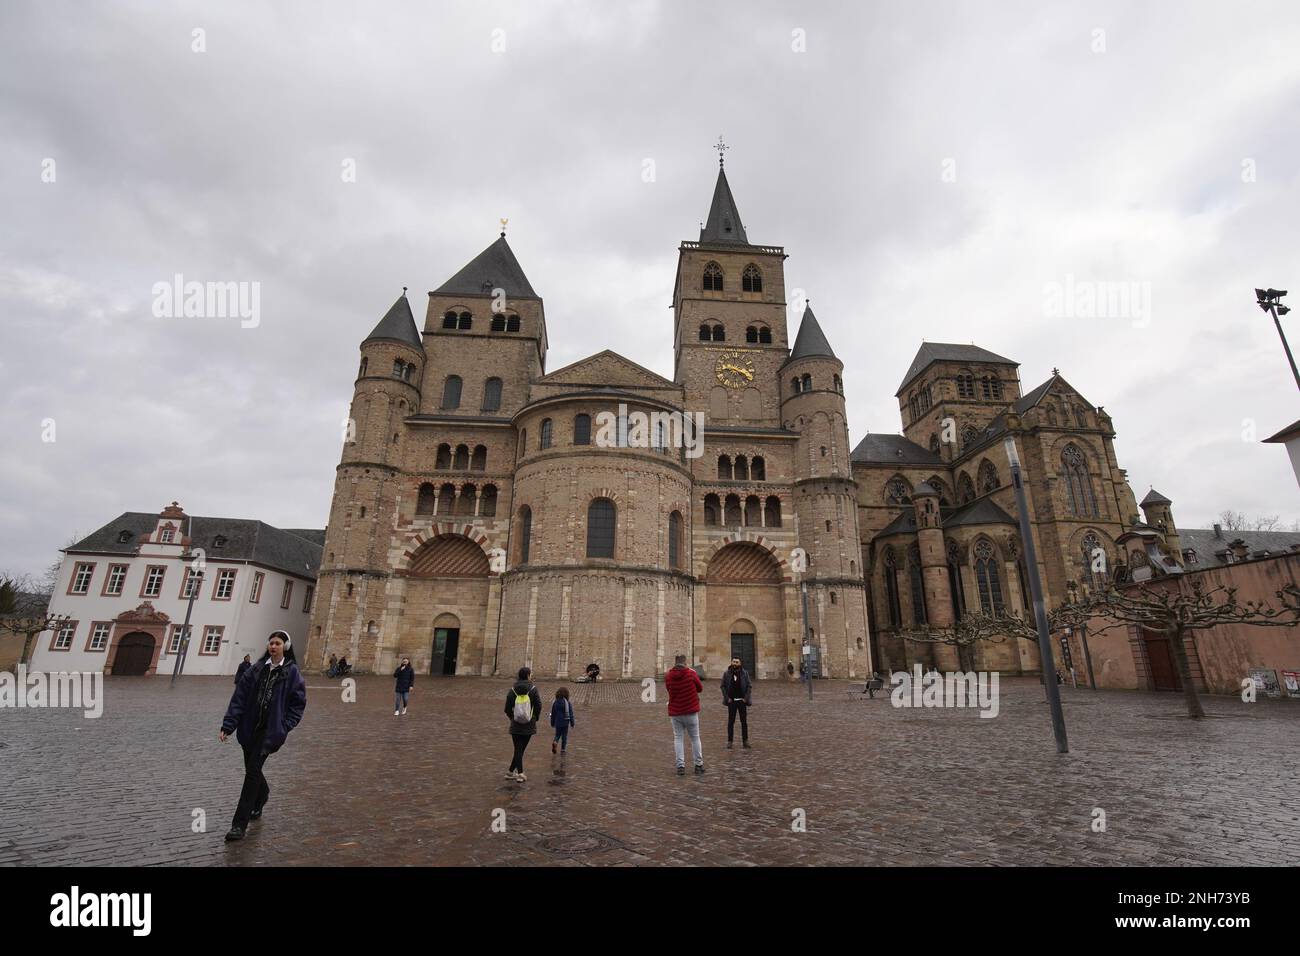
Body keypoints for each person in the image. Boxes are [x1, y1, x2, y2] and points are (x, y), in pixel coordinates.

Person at [219, 630, 307, 842]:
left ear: (285, 647)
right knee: (253, 769)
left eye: (277, 643)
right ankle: (263, 795)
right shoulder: (256, 669)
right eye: (271, 643)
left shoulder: (291, 672)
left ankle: (238, 825)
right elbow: (239, 698)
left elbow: (298, 704)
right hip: (249, 728)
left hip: (269, 732)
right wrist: (229, 725)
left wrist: (285, 725)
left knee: (251, 775)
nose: (273, 646)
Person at [664, 653, 704, 775]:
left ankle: (680, 766)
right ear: (685, 662)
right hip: (690, 711)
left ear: (675, 662)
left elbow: (668, 688)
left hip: (676, 712)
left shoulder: (668, 676)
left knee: (678, 738)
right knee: (695, 738)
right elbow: (700, 688)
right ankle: (698, 765)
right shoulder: (691, 673)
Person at [504, 666, 543, 782]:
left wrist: (512, 717)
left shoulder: (512, 689)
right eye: (530, 674)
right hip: (529, 723)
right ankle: (520, 774)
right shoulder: (533, 689)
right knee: (520, 749)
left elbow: (507, 708)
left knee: (518, 749)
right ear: (527, 675)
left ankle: (510, 772)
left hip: (515, 723)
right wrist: (534, 718)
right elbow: (539, 705)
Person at [721, 656, 752, 749]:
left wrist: (746, 699)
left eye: (737, 662)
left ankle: (745, 741)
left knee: (744, 722)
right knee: (731, 722)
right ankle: (730, 741)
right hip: (732, 701)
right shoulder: (726, 673)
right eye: (733, 662)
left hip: (742, 701)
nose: (735, 663)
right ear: (731, 662)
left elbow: (749, 686)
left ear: (740, 663)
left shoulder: (745, 673)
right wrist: (727, 698)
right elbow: (722, 686)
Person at [550, 686, 575, 754]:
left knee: (557, 735)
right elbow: (571, 713)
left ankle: (555, 742)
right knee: (564, 736)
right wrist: (572, 723)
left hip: (557, 722)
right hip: (565, 722)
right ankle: (563, 749)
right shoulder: (567, 703)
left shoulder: (555, 703)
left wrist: (552, 723)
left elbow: (553, 714)